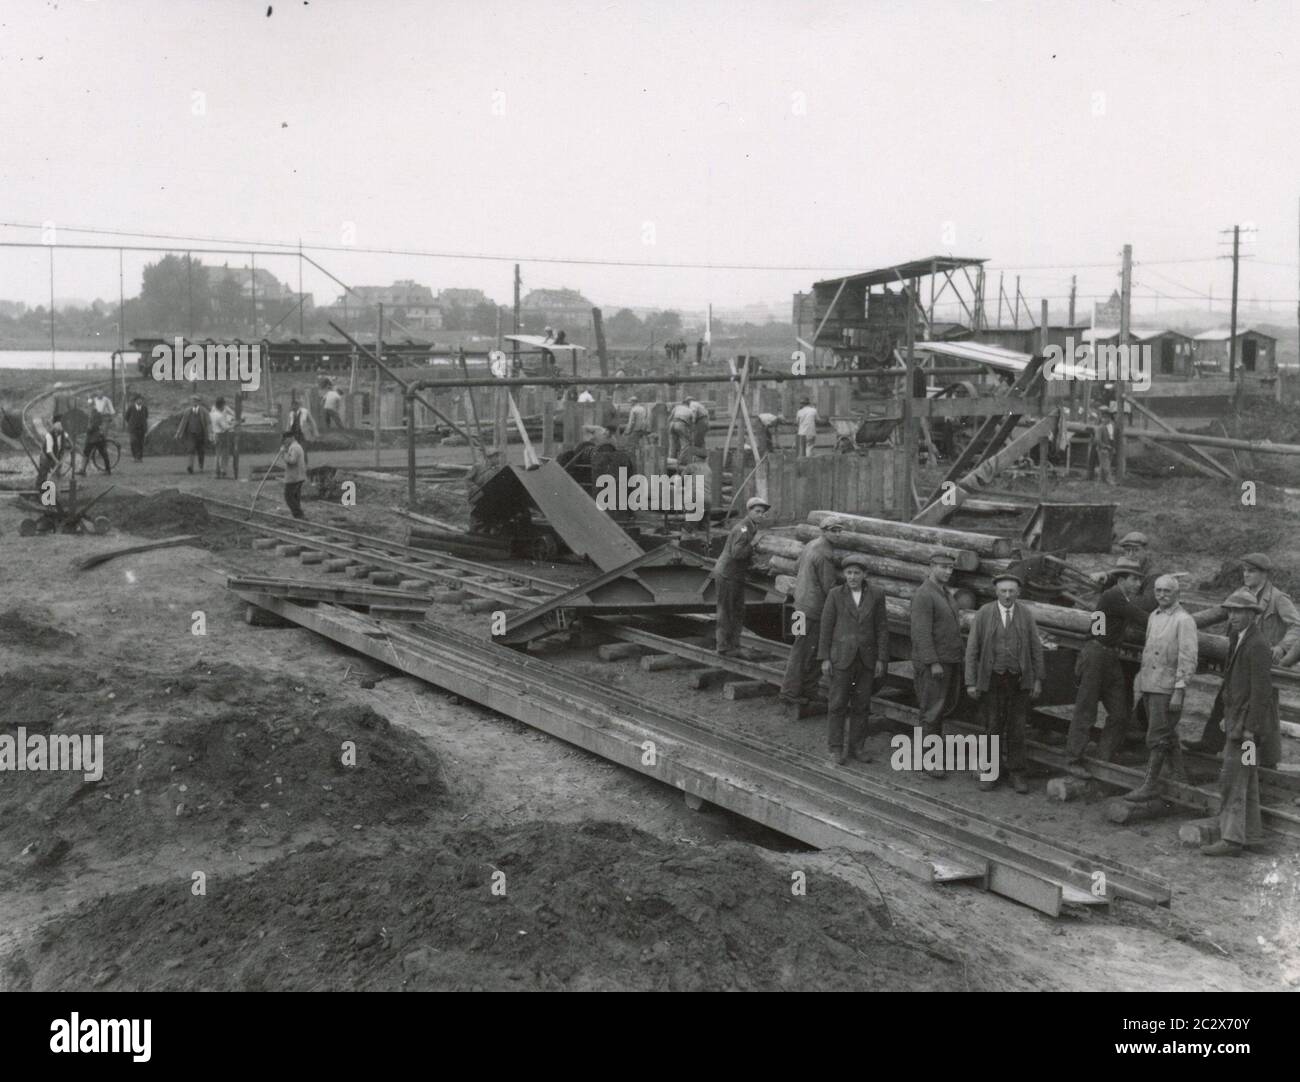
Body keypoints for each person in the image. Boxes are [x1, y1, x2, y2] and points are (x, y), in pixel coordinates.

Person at [1185, 552, 1297, 765]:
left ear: (1264, 574)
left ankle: (1265, 762)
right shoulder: (1241, 593)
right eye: (1245, 570)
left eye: (1251, 571)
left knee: (1263, 709)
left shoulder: (1278, 599)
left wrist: (1282, 648)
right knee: (1226, 697)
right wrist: (1184, 621)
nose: (1246, 574)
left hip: (1262, 660)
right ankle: (1211, 743)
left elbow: (1296, 625)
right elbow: (1218, 612)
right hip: (1239, 657)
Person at [1201, 588, 1270, 856]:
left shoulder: (1257, 644)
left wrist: (1250, 729)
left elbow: (1261, 692)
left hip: (1246, 729)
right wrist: (1226, 717)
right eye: (1230, 611)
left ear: (1252, 614)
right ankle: (1251, 836)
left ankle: (1231, 839)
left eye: (1239, 611)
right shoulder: (1239, 638)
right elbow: (1234, 684)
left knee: (1232, 779)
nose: (1233, 616)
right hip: (1238, 721)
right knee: (1248, 778)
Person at [1064, 557, 1149, 774]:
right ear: (1122, 580)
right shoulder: (1113, 596)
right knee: (1086, 709)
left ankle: (1104, 757)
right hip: (1095, 654)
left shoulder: (1121, 597)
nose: (1138, 584)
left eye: (1139, 580)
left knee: (1120, 712)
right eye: (1134, 579)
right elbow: (1142, 618)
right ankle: (1073, 760)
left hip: (1109, 656)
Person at [964, 572, 1045, 793]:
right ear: (996, 592)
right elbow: (972, 649)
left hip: (1018, 681)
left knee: (1017, 728)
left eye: (1011, 591)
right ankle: (991, 773)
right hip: (993, 680)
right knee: (992, 726)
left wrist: (1037, 679)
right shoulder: (984, 613)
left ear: (1018, 593)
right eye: (1003, 591)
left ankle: (1017, 773)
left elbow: (1036, 649)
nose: (1007, 595)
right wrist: (971, 682)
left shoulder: (1025, 614)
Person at [1123, 575, 1199, 801]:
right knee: (1166, 732)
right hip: (1150, 684)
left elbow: (1188, 658)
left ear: (1177, 594)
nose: (1162, 595)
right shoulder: (1154, 617)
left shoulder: (1184, 620)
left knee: (1156, 736)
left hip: (1167, 688)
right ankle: (1179, 776)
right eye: (1158, 590)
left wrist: (1179, 690)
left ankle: (1150, 784)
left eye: (1167, 591)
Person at [819, 555, 889, 765]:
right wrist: (824, 658)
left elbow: (882, 629)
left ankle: (857, 747)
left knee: (862, 705)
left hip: (866, 660)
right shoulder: (835, 595)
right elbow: (826, 627)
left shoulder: (876, 595)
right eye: (849, 573)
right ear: (844, 574)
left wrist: (881, 659)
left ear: (864, 574)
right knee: (837, 704)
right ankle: (835, 748)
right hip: (841, 659)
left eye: (857, 573)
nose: (852, 577)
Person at [779, 517, 844, 711]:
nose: (837, 534)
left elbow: (796, 566)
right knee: (807, 650)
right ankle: (791, 693)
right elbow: (829, 587)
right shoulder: (825, 553)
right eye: (833, 530)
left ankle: (807, 690)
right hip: (814, 610)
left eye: (839, 530)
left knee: (801, 647)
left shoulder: (811, 545)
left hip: (800, 604)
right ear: (824, 531)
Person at [910, 552, 964, 779]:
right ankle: (927, 761)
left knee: (940, 710)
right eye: (943, 567)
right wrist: (932, 662)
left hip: (949, 660)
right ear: (931, 566)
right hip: (936, 664)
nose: (948, 572)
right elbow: (921, 632)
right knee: (931, 712)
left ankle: (932, 756)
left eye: (951, 568)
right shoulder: (924, 594)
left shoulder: (945, 593)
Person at [712, 496, 769, 656]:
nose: (760, 515)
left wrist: (754, 565)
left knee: (737, 610)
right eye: (757, 511)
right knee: (727, 610)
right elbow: (737, 553)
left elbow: (744, 554)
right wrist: (753, 544)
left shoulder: (751, 527)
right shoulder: (742, 528)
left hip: (735, 574)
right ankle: (724, 647)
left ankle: (733, 645)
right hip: (727, 574)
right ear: (749, 511)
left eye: (762, 513)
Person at [175, 395, 210, 474]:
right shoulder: (187, 411)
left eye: (196, 401)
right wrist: (178, 433)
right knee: (190, 449)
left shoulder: (204, 411)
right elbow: (183, 423)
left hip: (201, 434)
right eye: (193, 401)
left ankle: (201, 467)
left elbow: (208, 423)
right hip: (191, 434)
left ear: (199, 402)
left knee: (201, 451)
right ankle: (190, 466)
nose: (194, 402)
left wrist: (210, 433)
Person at [36, 415, 68, 490]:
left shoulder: (63, 433)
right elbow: (49, 451)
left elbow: (67, 438)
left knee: (56, 473)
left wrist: (70, 444)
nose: (57, 433)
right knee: (43, 472)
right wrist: (56, 461)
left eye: (58, 432)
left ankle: (54, 488)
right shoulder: (49, 436)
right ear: (54, 429)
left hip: (56, 454)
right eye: (56, 432)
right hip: (46, 456)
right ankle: (39, 489)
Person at [79, 407, 112, 475]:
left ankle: (83, 470)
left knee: (87, 454)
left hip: (93, 439)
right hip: (97, 438)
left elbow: (91, 428)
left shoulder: (94, 416)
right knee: (103, 454)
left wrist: (85, 428)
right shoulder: (96, 415)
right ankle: (83, 470)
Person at [281, 430, 306, 519]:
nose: (284, 441)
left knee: (288, 497)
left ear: (291, 438)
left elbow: (292, 461)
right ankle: (298, 516)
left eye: (285, 439)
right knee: (295, 497)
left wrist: (284, 454)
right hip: (299, 476)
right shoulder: (295, 446)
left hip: (294, 477)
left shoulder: (294, 447)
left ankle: (299, 515)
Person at [209, 396, 236, 479]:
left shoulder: (212, 413)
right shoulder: (219, 415)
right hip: (222, 435)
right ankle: (222, 470)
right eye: (223, 405)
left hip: (216, 434)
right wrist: (234, 424)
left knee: (218, 454)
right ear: (221, 405)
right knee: (224, 454)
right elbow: (225, 427)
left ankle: (217, 471)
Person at [1091, 405, 1116, 485]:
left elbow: (1112, 437)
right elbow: (1097, 440)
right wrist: (1104, 446)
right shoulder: (1100, 428)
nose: (1106, 419)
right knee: (1106, 465)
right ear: (1101, 418)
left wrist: (1112, 447)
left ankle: (1100, 480)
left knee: (1103, 465)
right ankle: (1109, 480)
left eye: (1108, 418)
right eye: (1104, 418)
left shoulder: (1111, 426)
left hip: (1110, 447)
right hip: (1103, 449)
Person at [123, 394, 148, 462]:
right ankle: (135, 457)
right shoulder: (131, 408)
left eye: (141, 400)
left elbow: (146, 416)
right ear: (135, 401)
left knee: (141, 443)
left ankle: (140, 457)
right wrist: (132, 423)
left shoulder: (144, 408)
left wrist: (143, 425)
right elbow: (126, 417)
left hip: (142, 428)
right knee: (133, 442)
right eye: (138, 400)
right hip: (133, 428)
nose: (140, 401)